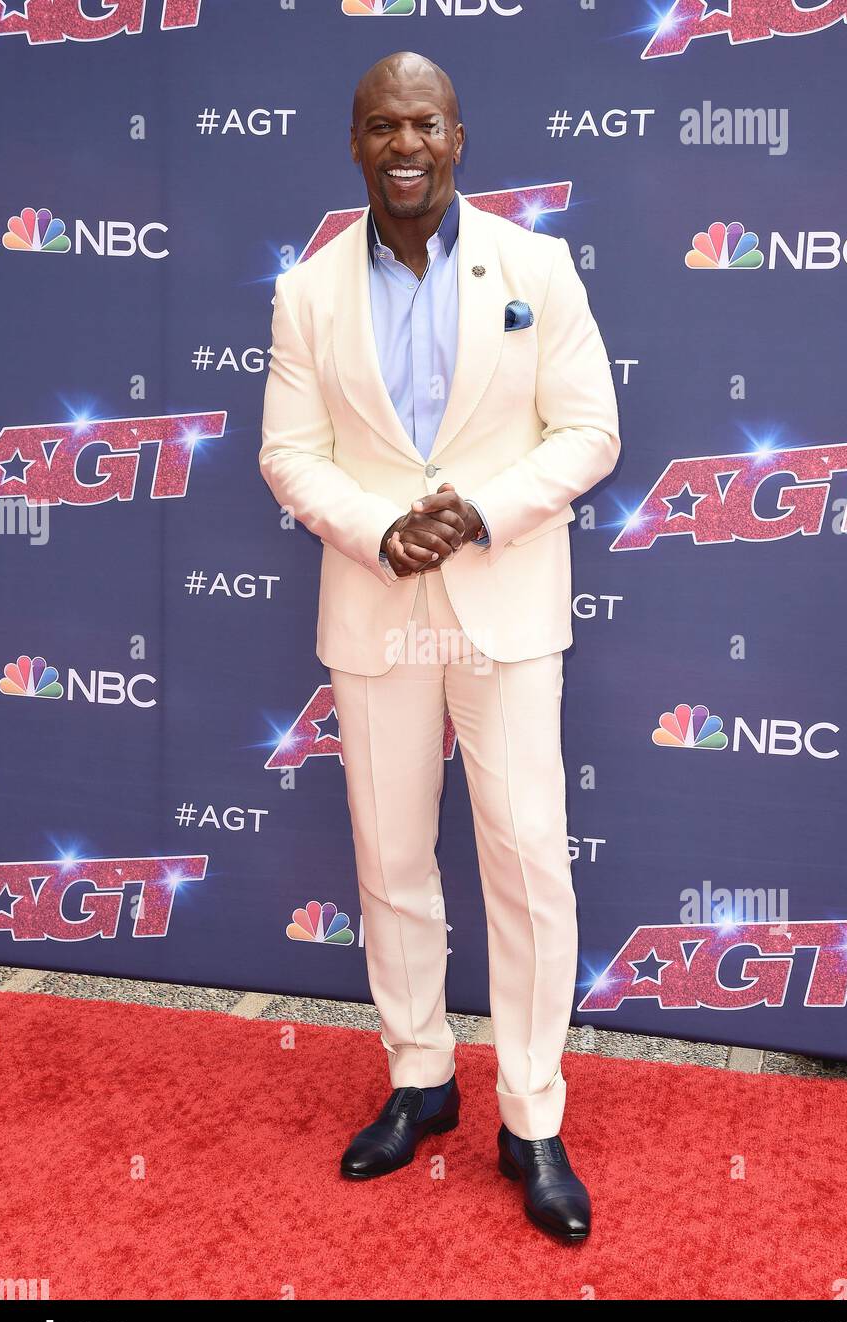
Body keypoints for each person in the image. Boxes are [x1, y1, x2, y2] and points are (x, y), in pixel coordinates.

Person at [259, 50, 620, 1242]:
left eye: (423, 122)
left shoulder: (536, 265)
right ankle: (421, 1077)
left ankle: (530, 1112)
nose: (402, 144)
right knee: (389, 858)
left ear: (458, 134)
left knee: (526, 860)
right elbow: (288, 452)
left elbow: (589, 431)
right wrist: (376, 528)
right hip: (378, 607)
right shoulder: (307, 290)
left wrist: (480, 510)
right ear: (353, 142)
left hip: (504, 604)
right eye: (379, 125)